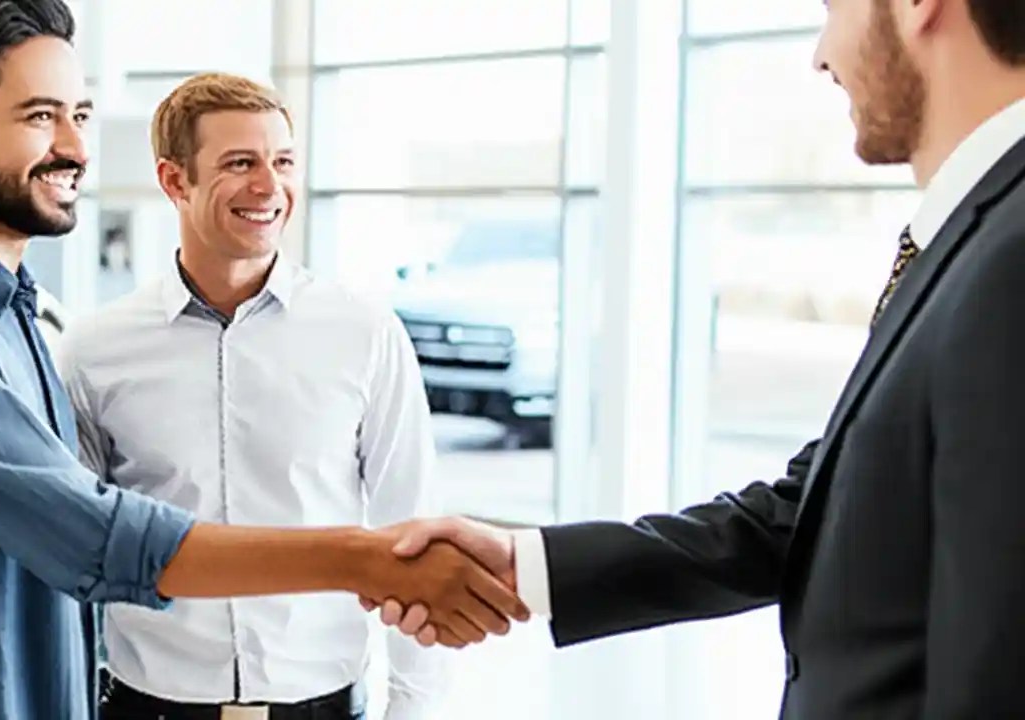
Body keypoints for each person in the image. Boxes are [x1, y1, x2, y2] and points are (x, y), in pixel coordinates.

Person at [0, 3, 527, 719]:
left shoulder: (13, 312)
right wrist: (365, 560)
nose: (75, 148)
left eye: (80, 116)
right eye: (39, 116)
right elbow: (86, 534)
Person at [372, 0, 1025, 717]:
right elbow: (805, 512)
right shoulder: (979, 237)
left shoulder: (1010, 257)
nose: (820, 55)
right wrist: (525, 565)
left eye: (833, 8)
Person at [57, 73, 449, 720]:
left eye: (283, 161)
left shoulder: (365, 334)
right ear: (174, 180)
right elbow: (68, 555)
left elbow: (416, 530)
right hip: (146, 707)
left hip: (324, 706)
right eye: (241, 163)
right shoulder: (94, 351)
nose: (270, 186)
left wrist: (412, 710)